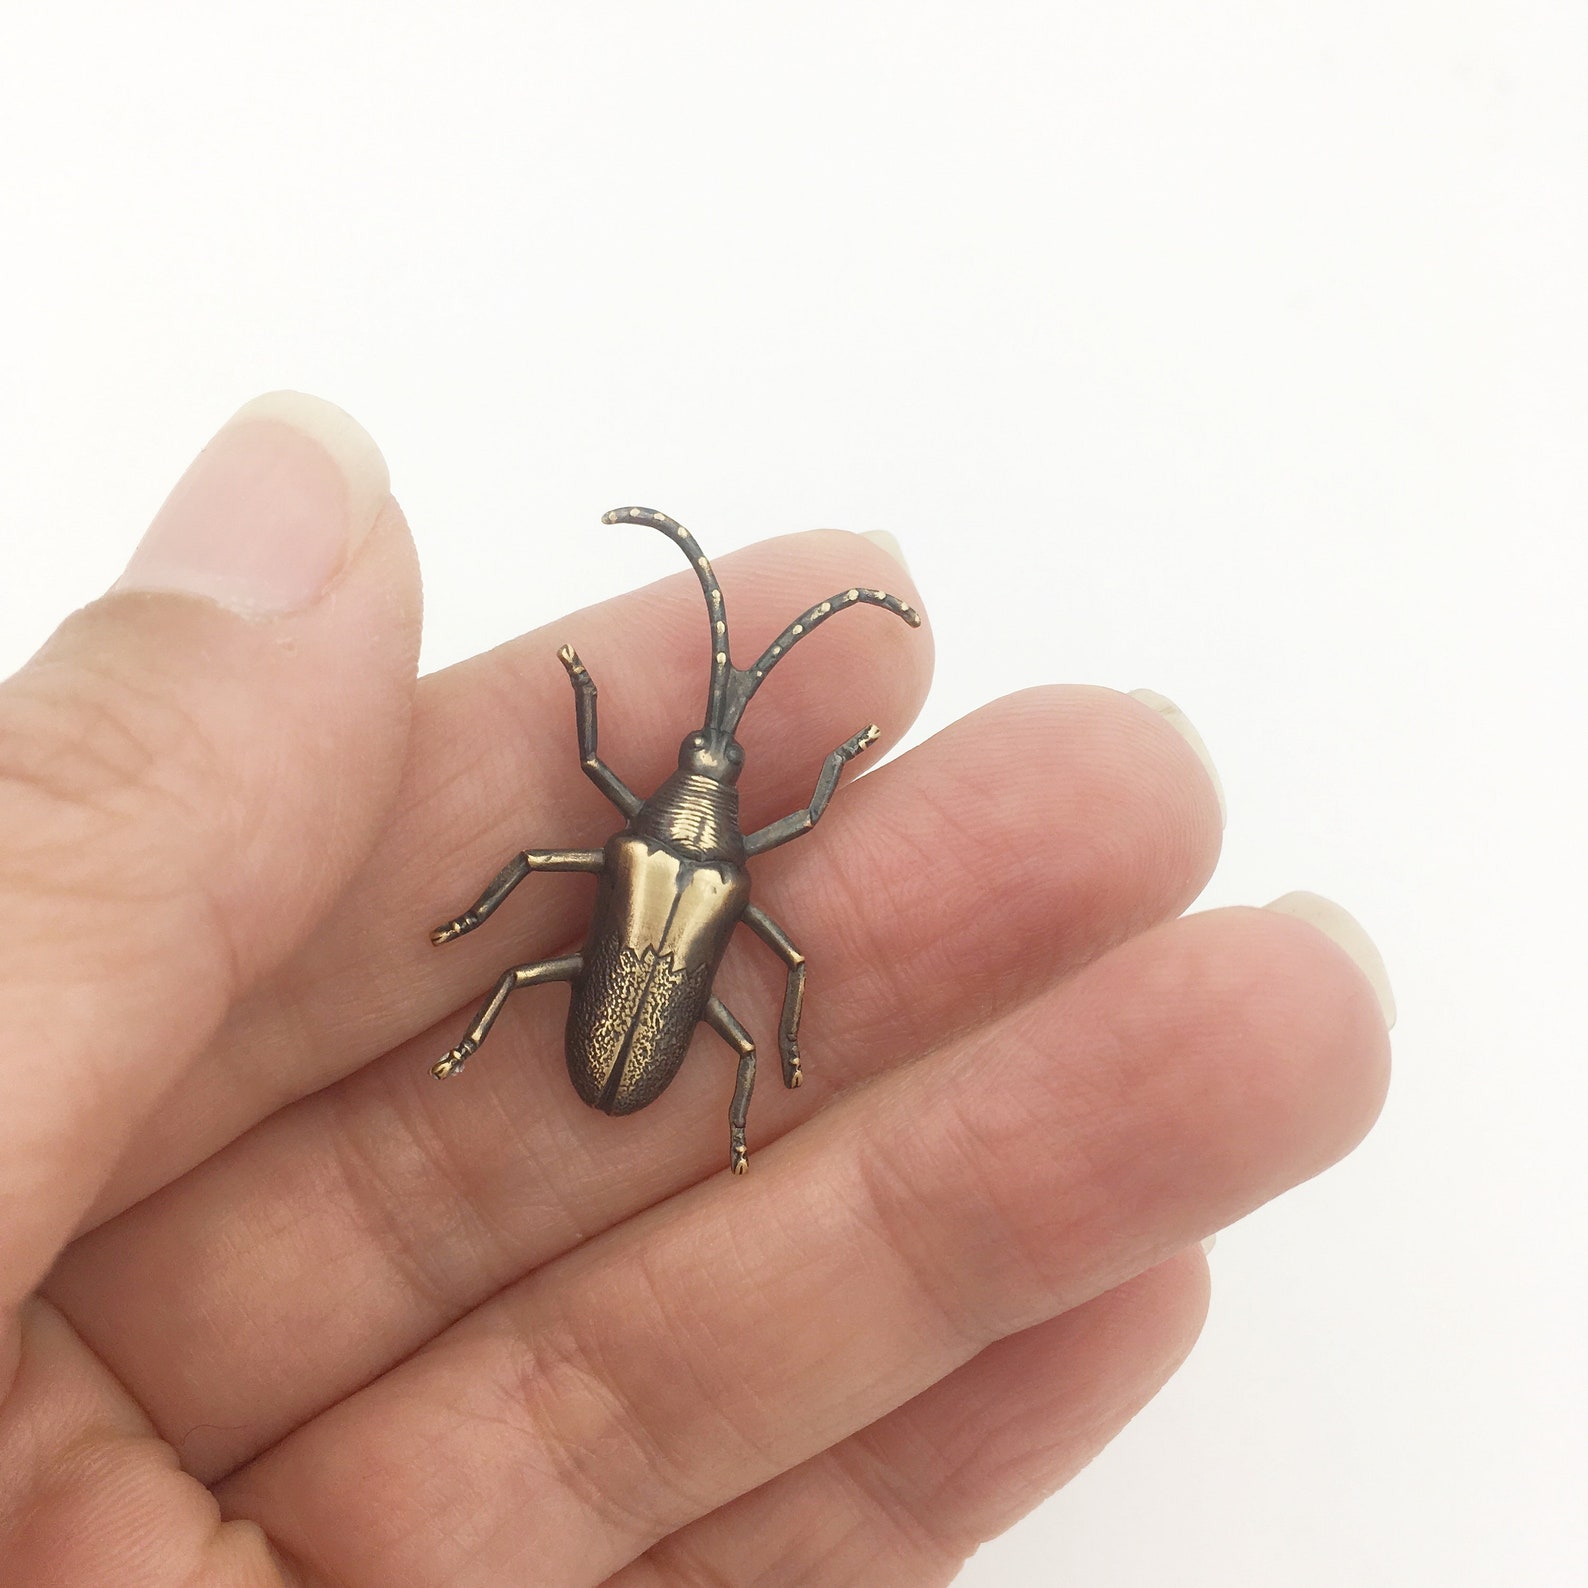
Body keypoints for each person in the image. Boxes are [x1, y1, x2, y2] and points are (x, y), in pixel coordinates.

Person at [0, 393, 1392, 1586]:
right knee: (629, 978)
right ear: (701, 792)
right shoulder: (732, 881)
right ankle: (629, 1070)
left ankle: (532, 1030)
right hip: (660, 1043)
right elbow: (775, 967)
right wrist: (769, 1047)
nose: (706, 752)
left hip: (617, 1031)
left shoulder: (634, 837)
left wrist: (567, 884)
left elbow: (642, 849)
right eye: (699, 746)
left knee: (545, 950)